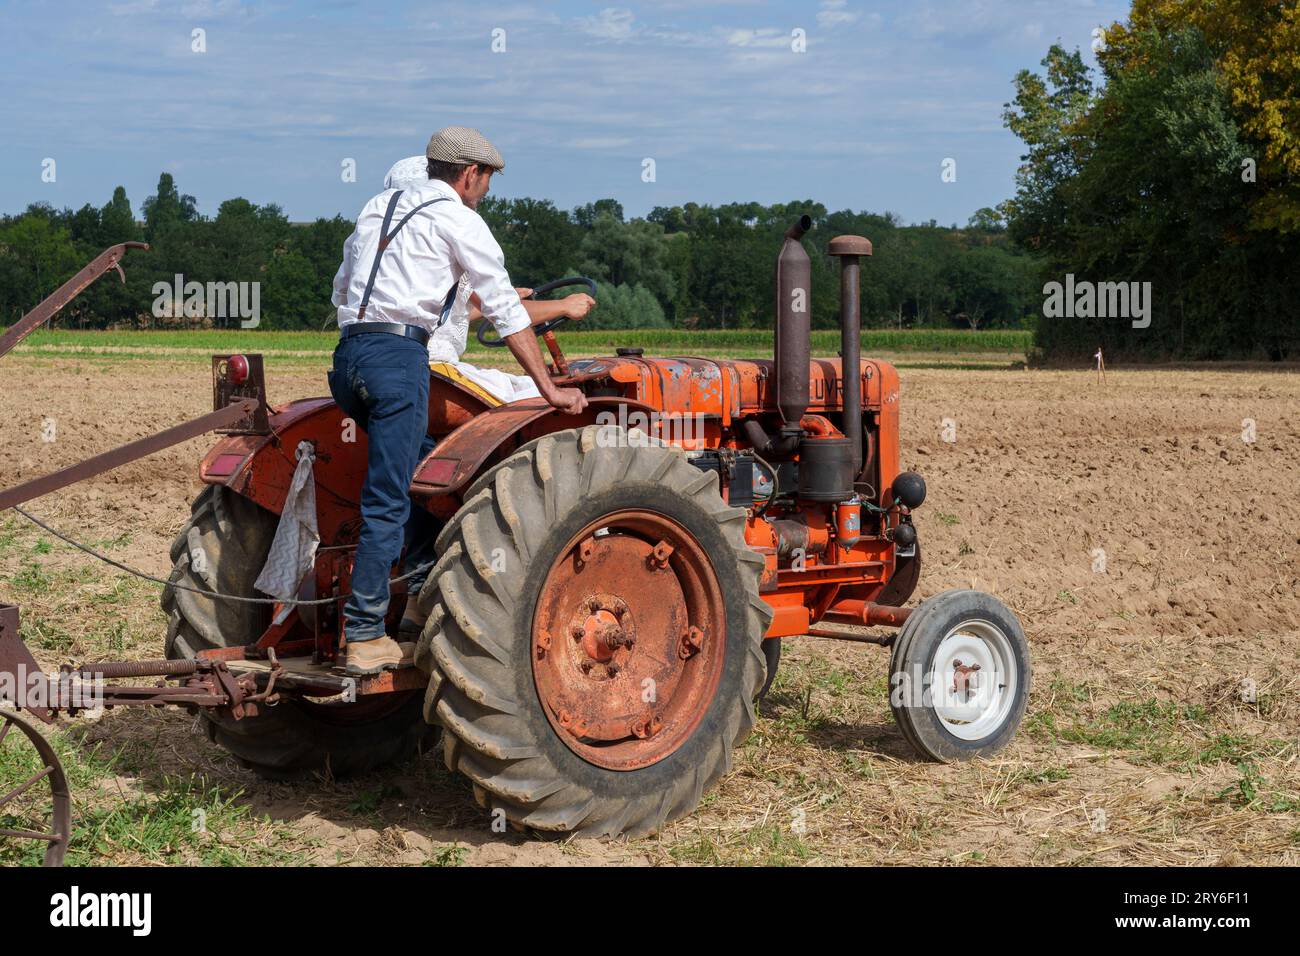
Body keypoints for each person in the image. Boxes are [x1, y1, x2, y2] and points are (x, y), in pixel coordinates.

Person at [329, 127, 588, 676]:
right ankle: (367, 632)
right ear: (469, 174)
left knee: (416, 467)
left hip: (348, 358)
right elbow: (503, 307)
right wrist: (548, 387)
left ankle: (417, 587)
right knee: (388, 497)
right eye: (487, 180)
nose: (486, 191)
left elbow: (342, 288)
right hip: (401, 362)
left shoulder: (378, 207)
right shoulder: (459, 219)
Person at [382, 156, 595, 404]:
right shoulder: (450, 230)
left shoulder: (392, 248)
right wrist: (564, 306)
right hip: (433, 369)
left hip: (383, 361)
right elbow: (506, 313)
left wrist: (493, 305)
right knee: (537, 397)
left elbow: (453, 315)